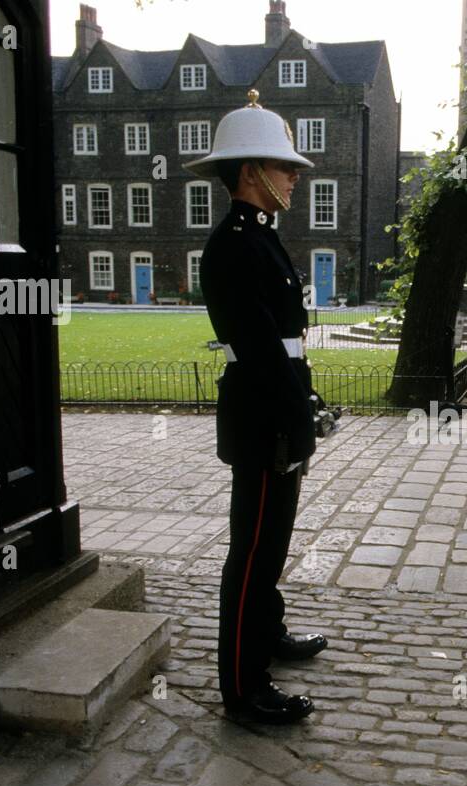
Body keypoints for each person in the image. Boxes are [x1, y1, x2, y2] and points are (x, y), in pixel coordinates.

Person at [185, 90, 329, 725]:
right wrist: (296, 417)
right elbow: (260, 348)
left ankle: (266, 635)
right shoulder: (233, 246)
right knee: (251, 552)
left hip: (278, 406)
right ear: (250, 172)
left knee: (272, 545)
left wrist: (308, 397)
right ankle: (243, 687)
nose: (295, 176)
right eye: (284, 166)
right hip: (263, 415)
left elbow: (287, 343)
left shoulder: (262, 239)